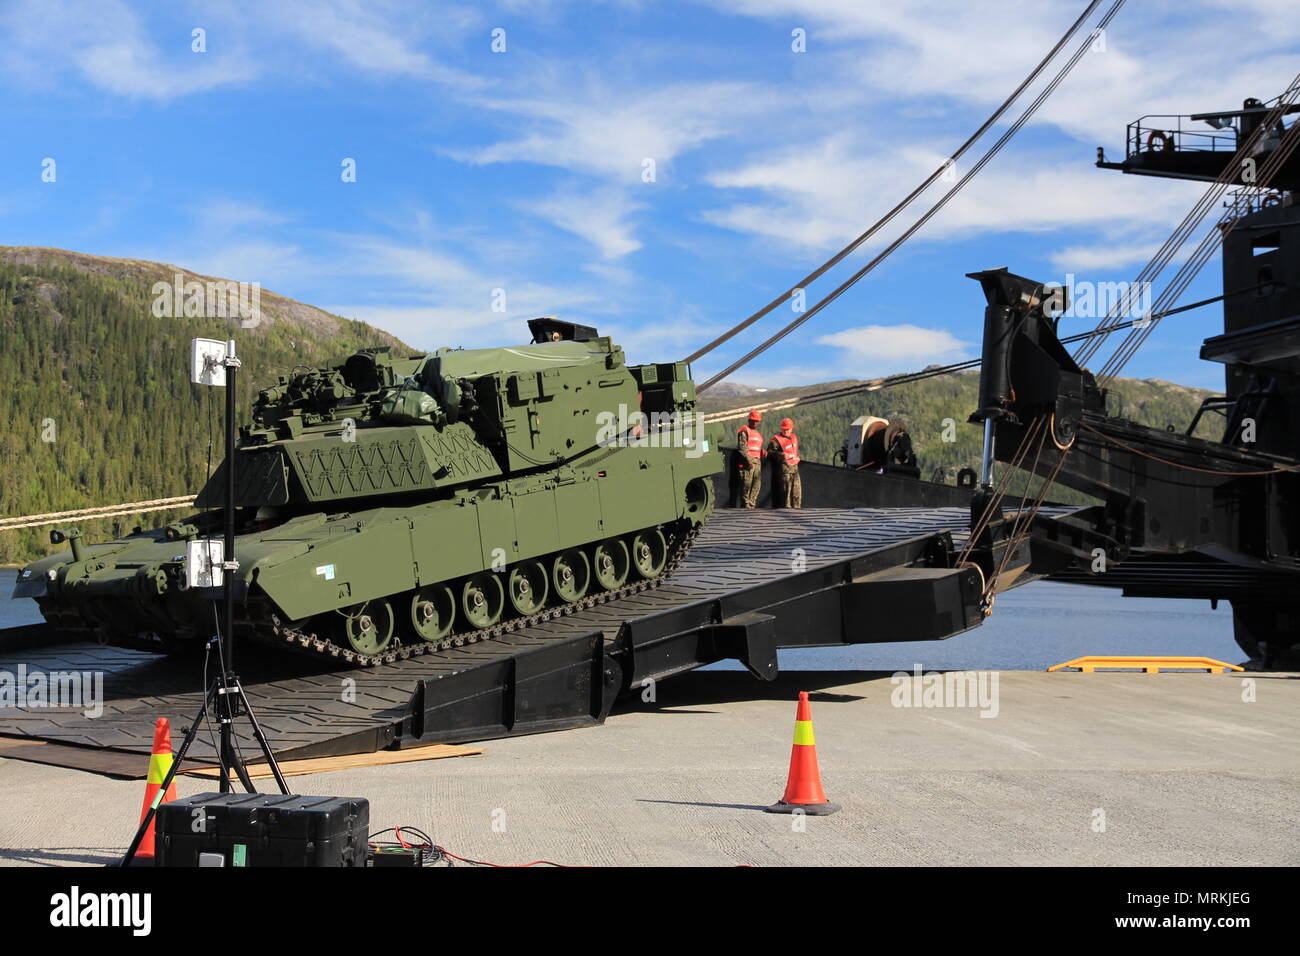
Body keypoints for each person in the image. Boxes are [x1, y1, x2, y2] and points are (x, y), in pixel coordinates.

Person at [768, 417, 802, 508]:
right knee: (785, 497)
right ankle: (786, 513)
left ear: (792, 428)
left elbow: (794, 451)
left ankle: (796, 513)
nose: (786, 431)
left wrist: (797, 457)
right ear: (781, 429)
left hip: (795, 470)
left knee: (796, 495)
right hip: (784, 472)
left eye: (788, 429)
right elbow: (769, 453)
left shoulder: (794, 438)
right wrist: (780, 455)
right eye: (784, 429)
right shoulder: (776, 440)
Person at [736, 410, 765, 508]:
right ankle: (745, 504)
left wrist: (762, 451)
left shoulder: (758, 434)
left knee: (756, 484)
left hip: (757, 461)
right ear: (749, 420)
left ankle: (752, 503)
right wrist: (747, 459)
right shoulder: (745, 430)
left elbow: (756, 446)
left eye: (757, 421)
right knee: (746, 483)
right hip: (748, 461)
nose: (755, 423)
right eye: (753, 420)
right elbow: (742, 446)